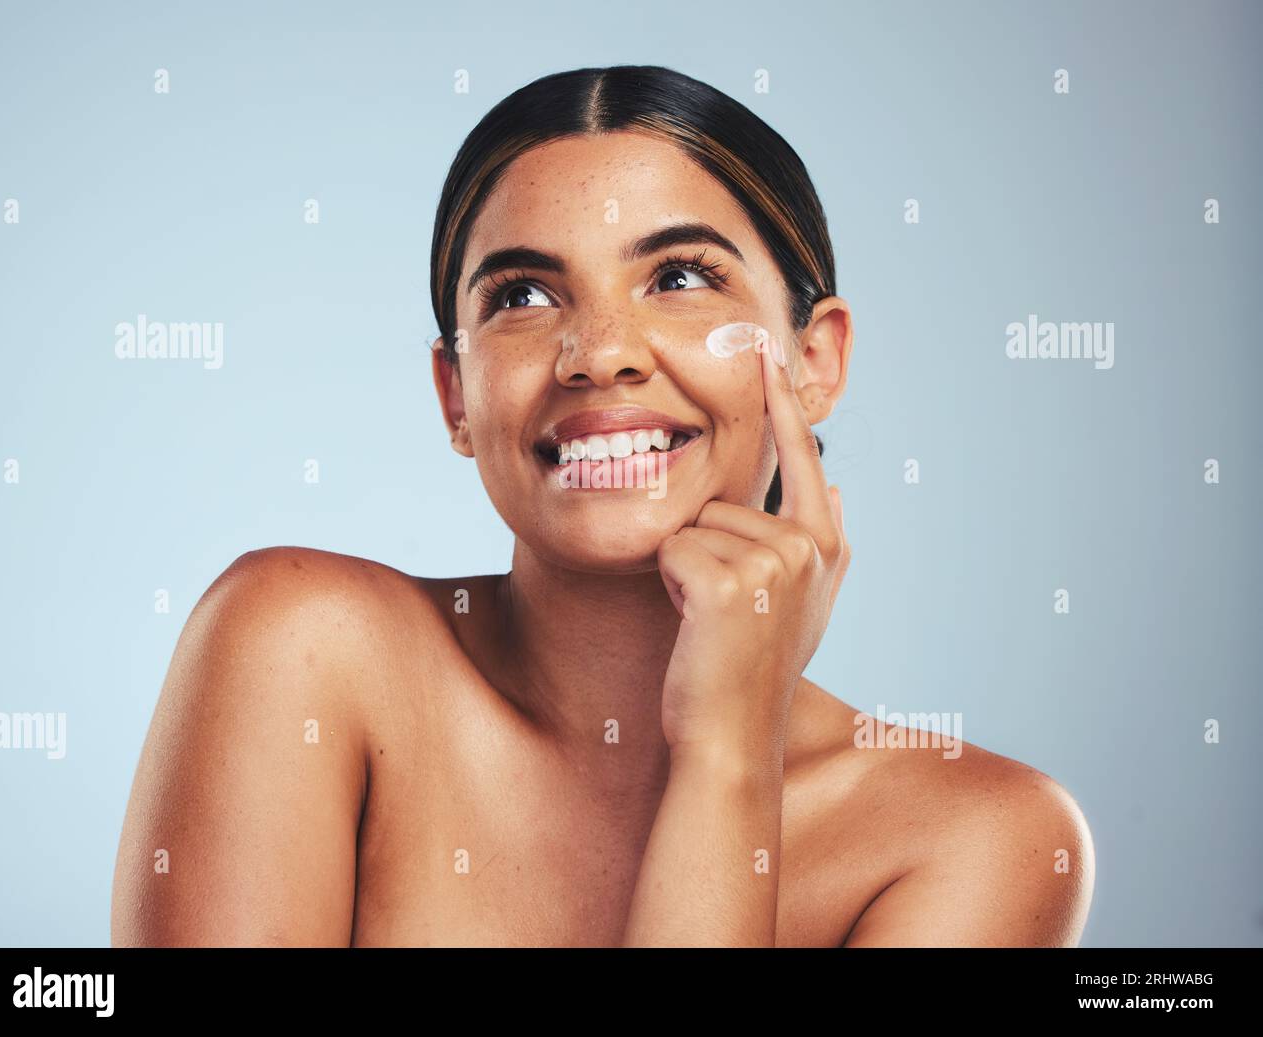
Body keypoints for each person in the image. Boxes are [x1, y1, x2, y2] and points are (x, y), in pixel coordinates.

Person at [110, 64, 1094, 947]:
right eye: (523, 296)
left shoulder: (980, 837)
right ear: (455, 394)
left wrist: (724, 753)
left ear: (814, 358)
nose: (599, 352)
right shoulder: (303, 644)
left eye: (678, 276)